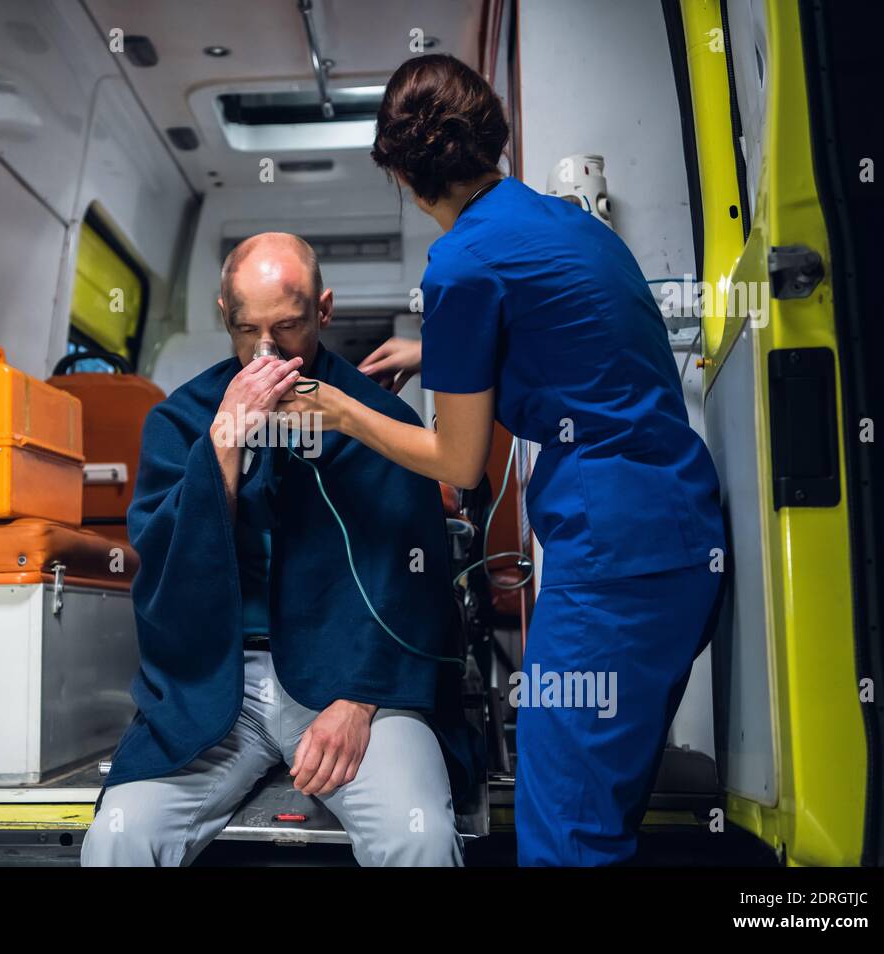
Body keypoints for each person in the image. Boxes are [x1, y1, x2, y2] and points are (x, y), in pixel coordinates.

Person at [290, 54, 726, 866]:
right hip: (680, 535)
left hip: (613, 570)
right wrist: (437, 354)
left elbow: (457, 465)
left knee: (563, 836)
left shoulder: (462, 264)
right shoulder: (566, 225)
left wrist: (339, 409)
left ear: (407, 178)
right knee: (603, 815)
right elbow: (572, 342)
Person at [79, 232, 484, 867]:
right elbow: (162, 575)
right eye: (247, 330)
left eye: (289, 326)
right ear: (223, 315)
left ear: (323, 310)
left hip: (352, 684)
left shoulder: (378, 419)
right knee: (120, 835)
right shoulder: (180, 420)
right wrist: (222, 447)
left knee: (419, 836)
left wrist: (360, 701)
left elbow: (417, 585)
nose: (266, 350)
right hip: (216, 686)